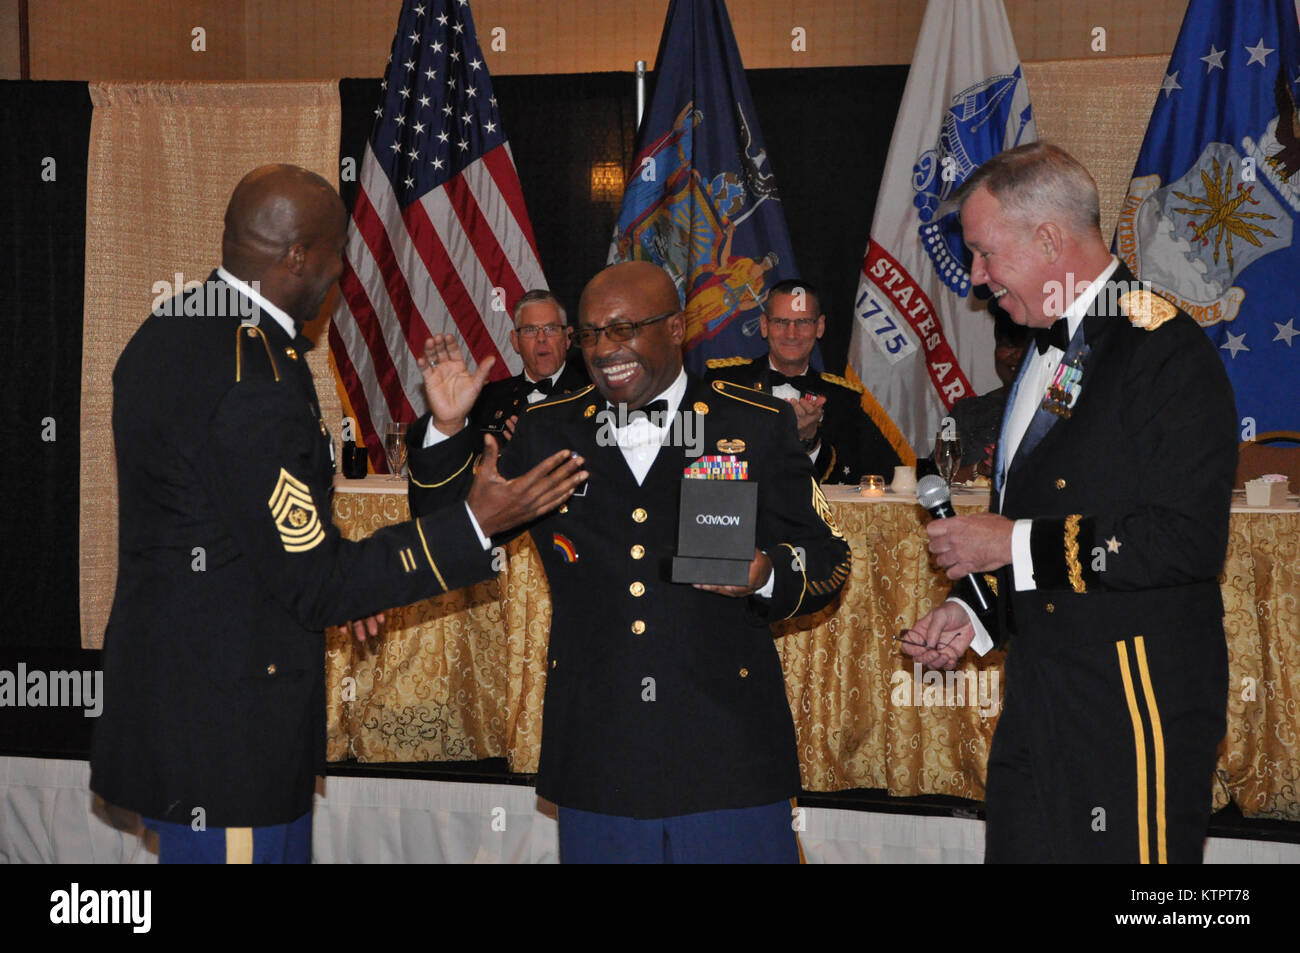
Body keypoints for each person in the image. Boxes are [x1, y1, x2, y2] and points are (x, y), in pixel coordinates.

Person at [89, 165, 586, 864]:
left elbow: (228, 523)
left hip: (181, 703)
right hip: (228, 736)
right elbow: (315, 577)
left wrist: (337, 574)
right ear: (297, 256)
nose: (340, 270)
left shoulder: (171, 327)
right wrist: (475, 520)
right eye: (336, 251)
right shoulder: (253, 372)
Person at [407, 260, 851, 863]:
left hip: (728, 749)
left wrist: (766, 574)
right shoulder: (547, 431)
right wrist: (447, 426)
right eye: (589, 334)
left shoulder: (754, 421)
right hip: (599, 748)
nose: (603, 349)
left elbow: (830, 557)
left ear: (675, 328)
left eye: (623, 329)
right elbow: (450, 538)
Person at [903, 143, 1237, 863]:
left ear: (1049, 239)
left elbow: (1185, 538)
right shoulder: (1043, 347)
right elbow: (1048, 513)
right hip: (1041, 696)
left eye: (986, 253)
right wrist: (974, 614)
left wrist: (1010, 544)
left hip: (1132, 695)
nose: (977, 277)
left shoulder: (1163, 346)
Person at [704, 278, 902, 483]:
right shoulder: (724, 384)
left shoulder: (842, 398)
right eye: (781, 322)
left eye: (803, 322)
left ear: (820, 327)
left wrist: (811, 441)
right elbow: (693, 457)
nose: (792, 334)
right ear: (764, 325)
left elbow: (864, 477)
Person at [470, 289, 589, 441]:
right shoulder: (487, 399)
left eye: (551, 329)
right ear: (515, 341)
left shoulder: (594, 395)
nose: (541, 338)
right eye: (530, 330)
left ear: (567, 338)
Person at [937, 311, 1030, 480]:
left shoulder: (1056, 412)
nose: (1017, 355)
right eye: (1009, 346)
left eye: (1026, 348)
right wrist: (980, 469)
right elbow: (937, 475)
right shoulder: (966, 411)